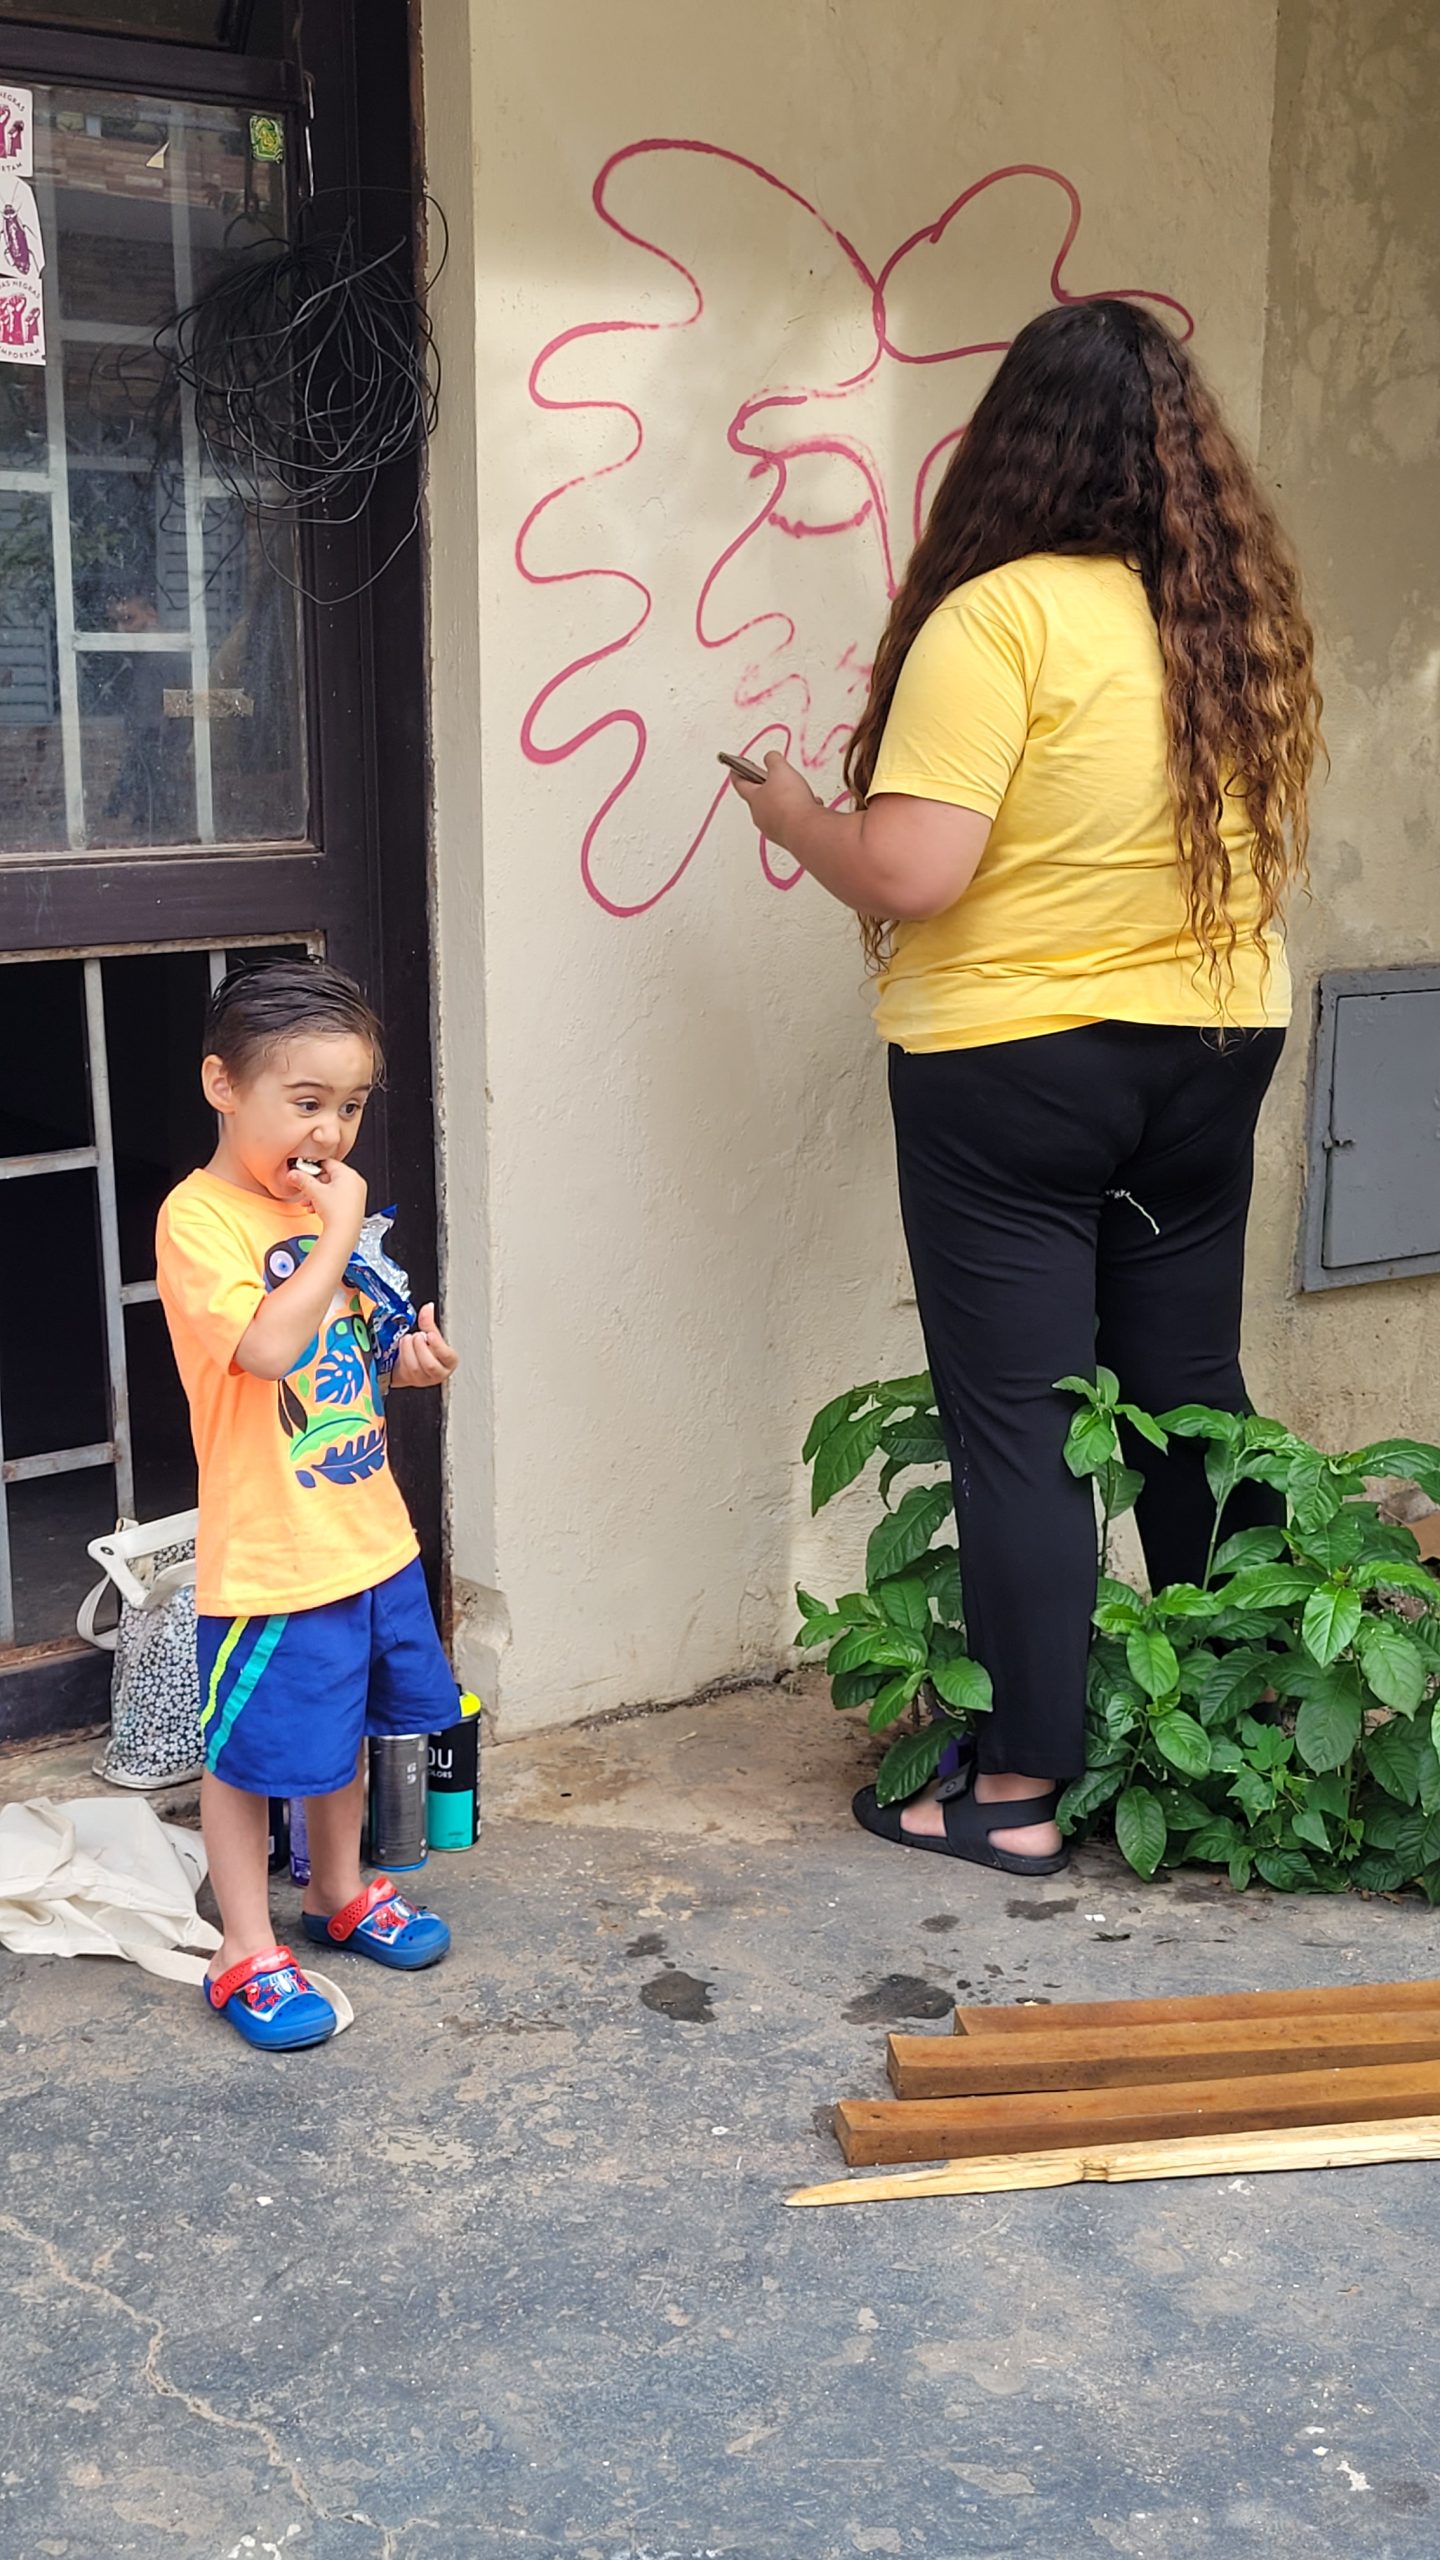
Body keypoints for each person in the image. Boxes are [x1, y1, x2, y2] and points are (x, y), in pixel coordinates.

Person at [730, 298, 1320, 1879]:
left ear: (1010, 444)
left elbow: (917, 867)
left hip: (1016, 1064)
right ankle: (1251, 1735)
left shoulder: (999, 619)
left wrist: (796, 816)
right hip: (1212, 1052)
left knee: (1030, 1426)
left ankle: (1017, 1791)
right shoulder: (1228, 621)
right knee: (1193, 1395)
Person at [155, 958, 461, 2047]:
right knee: (250, 1757)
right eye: (306, 1104)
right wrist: (336, 1234)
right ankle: (246, 1948)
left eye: (350, 1107)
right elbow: (270, 1345)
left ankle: (341, 1890)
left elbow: (345, 1357)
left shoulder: (327, 1215)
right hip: (271, 1555)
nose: (330, 1134)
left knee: (351, 1731)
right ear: (222, 1085)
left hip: (364, 1533)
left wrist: (406, 1361)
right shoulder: (202, 1220)